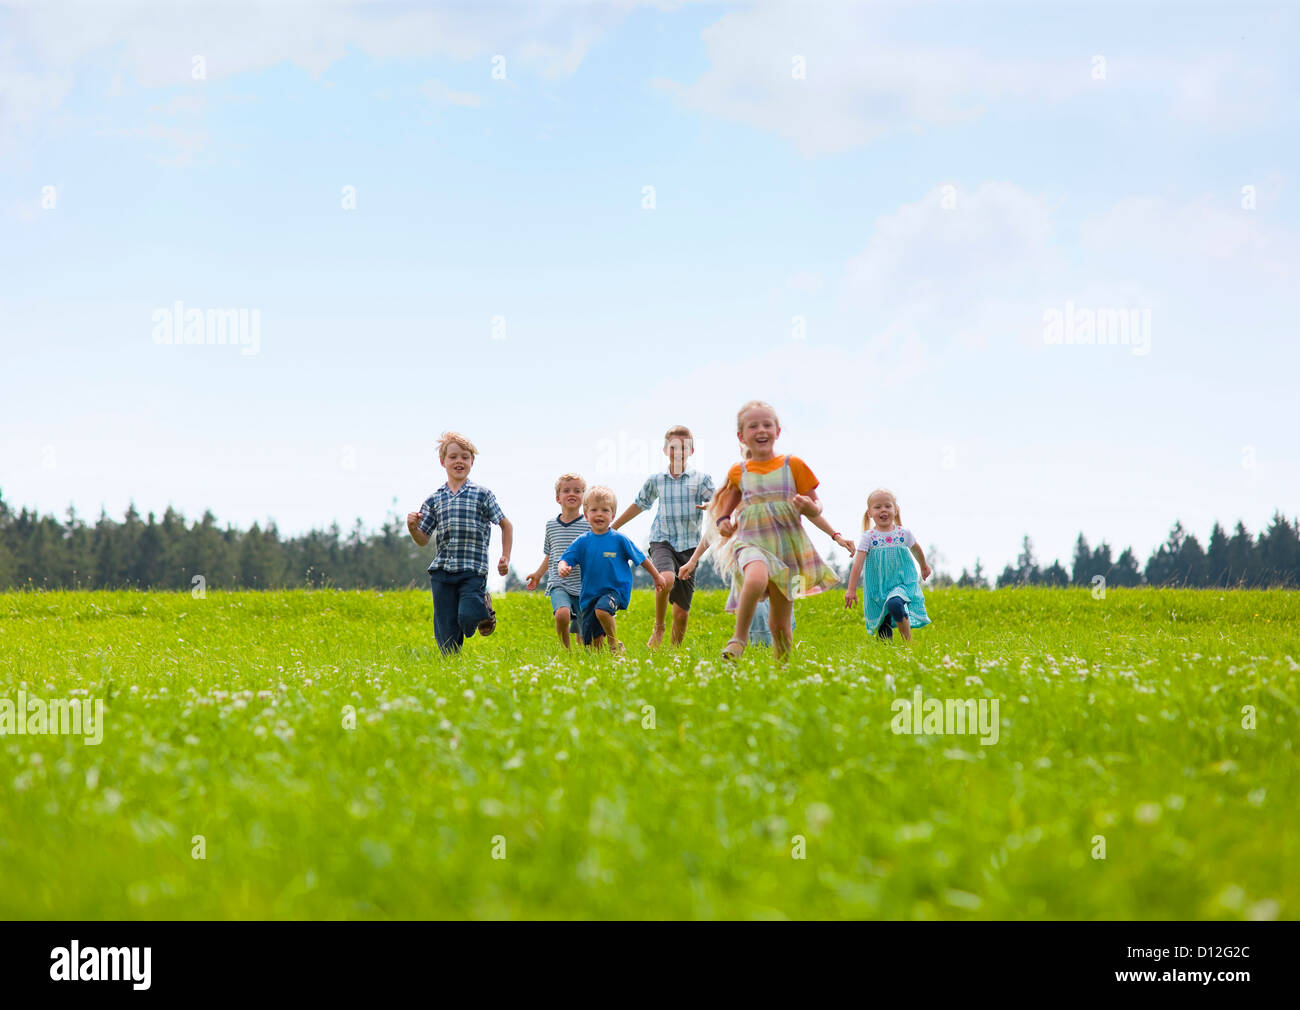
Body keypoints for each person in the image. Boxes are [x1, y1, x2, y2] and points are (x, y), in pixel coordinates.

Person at [684, 401, 853, 661]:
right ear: (741, 436)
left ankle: (781, 672)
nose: (761, 430)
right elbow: (727, 506)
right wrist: (723, 522)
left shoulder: (793, 465)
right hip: (751, 542)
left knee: (781, 624)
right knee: (755, 577)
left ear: (778, 431)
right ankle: (739, 638)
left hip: (786, 548)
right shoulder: (738, 472)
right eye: (753, 426)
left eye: (767, 424)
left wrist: (813, 509)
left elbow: (816, 505)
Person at [406, 431, 513, 655]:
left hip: (472, 570)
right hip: (442, 571)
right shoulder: (434, 499)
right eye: (453, 457)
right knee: (446, 626)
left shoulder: (482, 494)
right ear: (442, 461)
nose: (459, 461)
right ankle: (450, 667)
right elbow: (423, 539)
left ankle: (482, 607)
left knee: (467, 616)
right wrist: (412, 527)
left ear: (472, 461)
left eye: (465, 457)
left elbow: (506, 525)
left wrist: (505, 557)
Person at [611, 424, 714, 649]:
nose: (679, 451)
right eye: (674, 447)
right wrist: (614, 526)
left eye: (684, 447)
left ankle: (673, 653)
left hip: (690, 547)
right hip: (662, 540)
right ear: (666, 450)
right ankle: (658, 627)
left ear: (692, 451)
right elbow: (640, 504)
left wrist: (710, 505)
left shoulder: (701, 479)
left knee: (681, 614)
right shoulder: (657, 480)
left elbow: (717, 502)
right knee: (666, 579)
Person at [558, 486, 670, 653]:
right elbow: (565, 559)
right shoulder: (582, 542)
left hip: (615, 590)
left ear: (613, 515)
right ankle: (613, 654)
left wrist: (656, 576)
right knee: (592, 646)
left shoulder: (619, 539)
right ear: (587, 515)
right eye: (594, 510)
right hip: (589, 596)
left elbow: (641, 558)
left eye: (605, 510)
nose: (599, 514)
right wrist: (563, 567)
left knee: (602, 611)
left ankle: (613, 644)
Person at [844, 487, 932, 642]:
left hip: (901, 583)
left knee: (895, 604)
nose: (883, 510)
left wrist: (924, 566)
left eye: (887, 506)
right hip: (877, 587)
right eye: (877, 507)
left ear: (895, 510)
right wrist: (851, 590)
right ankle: (887, 655)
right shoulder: (868, 538)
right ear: (870, 513)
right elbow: (857, 565)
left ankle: (908, 643)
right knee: (883, 625)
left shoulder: (903, 534)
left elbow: (916, 550)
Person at [524, 473, 591, 650]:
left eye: (577, 491)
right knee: (562, 614)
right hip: (559, 582)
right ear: (557, 498)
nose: (572, 494)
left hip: (584, 585)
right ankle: (565, 650)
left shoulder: (589, 525)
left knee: (586, 637)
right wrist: (538, 574)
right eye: (566, 491)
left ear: (584, 497)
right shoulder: (551, 525)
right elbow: (550, 554)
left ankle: (586, 648)